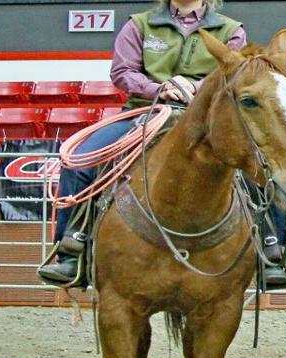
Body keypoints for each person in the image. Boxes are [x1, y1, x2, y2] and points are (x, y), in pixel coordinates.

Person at [38, 0, 248, 286]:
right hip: (143, 113)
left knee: (258, 165)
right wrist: (160, 88)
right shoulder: (139, 24)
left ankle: (268, 251)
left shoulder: (230, 30)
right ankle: (72, 249)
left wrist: (195, 88)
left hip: (206, 119)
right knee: (80, 160)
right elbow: (123, 72)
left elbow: (232, 73)